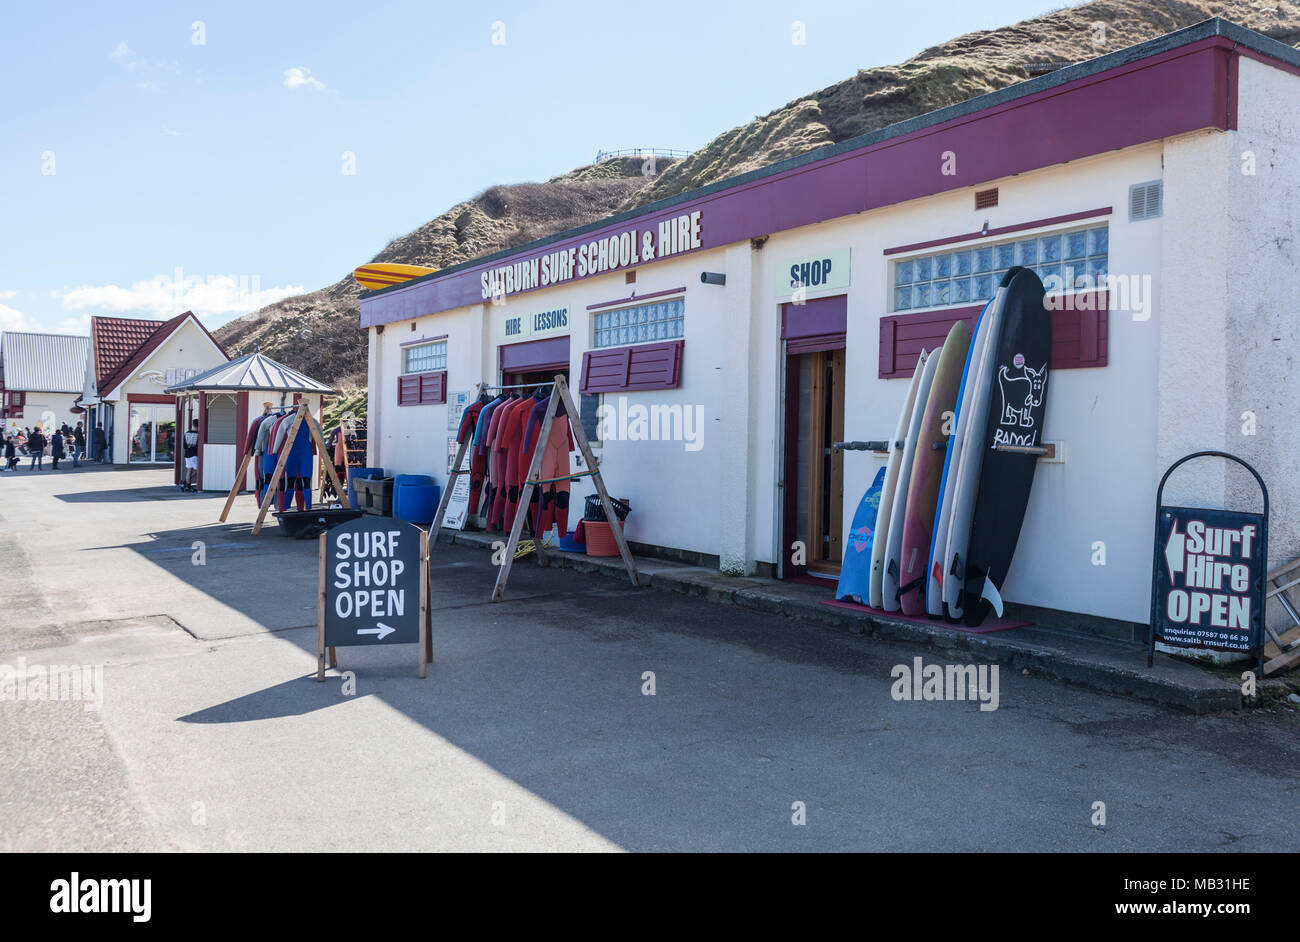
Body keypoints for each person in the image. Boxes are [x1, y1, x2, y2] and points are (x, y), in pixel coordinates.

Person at [181, 419, 200, 492]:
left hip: (187, 454)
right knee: (198, 470)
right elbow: (198, 445)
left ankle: (187, 484)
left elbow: (184, 446)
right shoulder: (198, 434)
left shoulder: (186, 433)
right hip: (194, 454)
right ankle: (185, 482)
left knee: (189, 470)